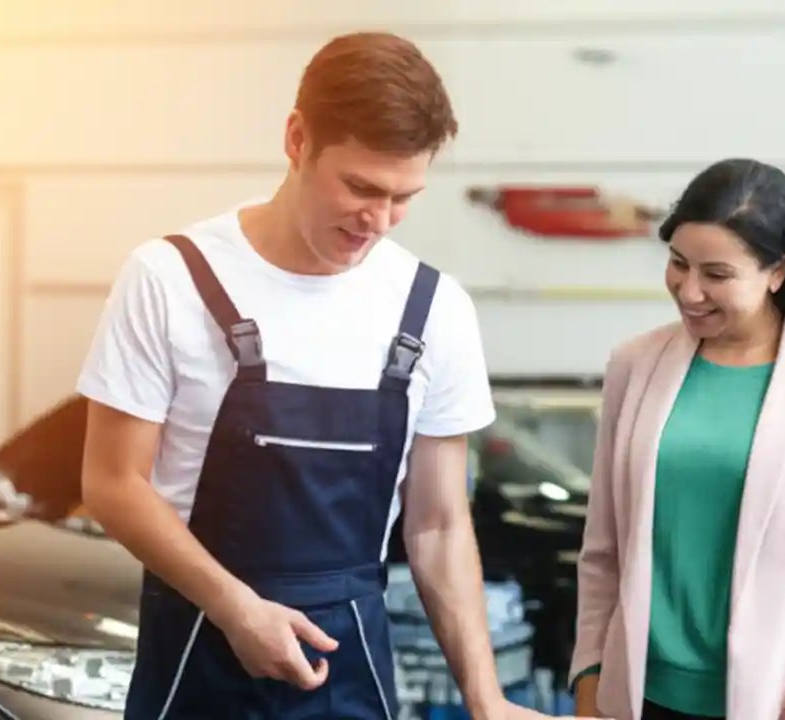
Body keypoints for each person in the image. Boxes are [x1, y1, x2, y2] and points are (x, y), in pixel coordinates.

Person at [76, 31, 595, 720]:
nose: (376, 221)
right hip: (197, 657)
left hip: (350, 676)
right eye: (359, 187)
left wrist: (485, 696)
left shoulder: (432, 309)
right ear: (297, 139)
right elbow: (113, 484)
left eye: (403, 197)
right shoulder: (170, 278)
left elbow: (438, 525)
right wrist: (236, 608)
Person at [569, 159, 785, 720]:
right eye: (678, 264)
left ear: (778, 272)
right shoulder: (634, 364)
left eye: (717, 274)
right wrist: (588, 671)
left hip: (778, 700)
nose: (690, 290)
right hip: (637, 696)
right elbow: (602, 548)